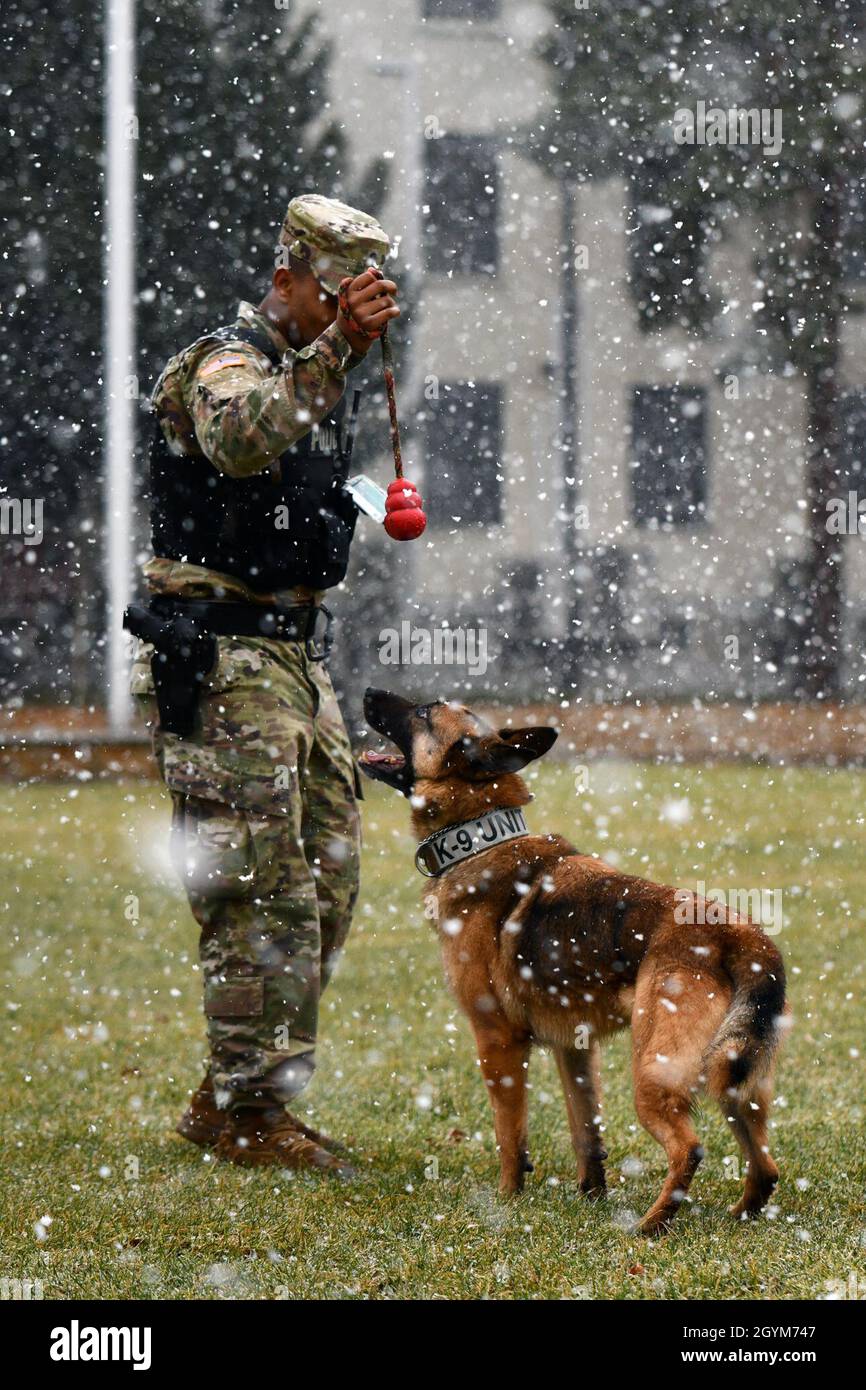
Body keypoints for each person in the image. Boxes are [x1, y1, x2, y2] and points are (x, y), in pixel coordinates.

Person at [128, 195, 398, 1173]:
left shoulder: (309, 373)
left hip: (292, 657)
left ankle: (234, 1092)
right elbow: (240, 438)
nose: (340, 322)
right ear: (286, 274)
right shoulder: (222, 364)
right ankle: (250, 1112)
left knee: (326, 880)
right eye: (329, 299)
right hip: (220, 655)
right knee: (257, 888)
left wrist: (330, 366)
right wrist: (332, 357)